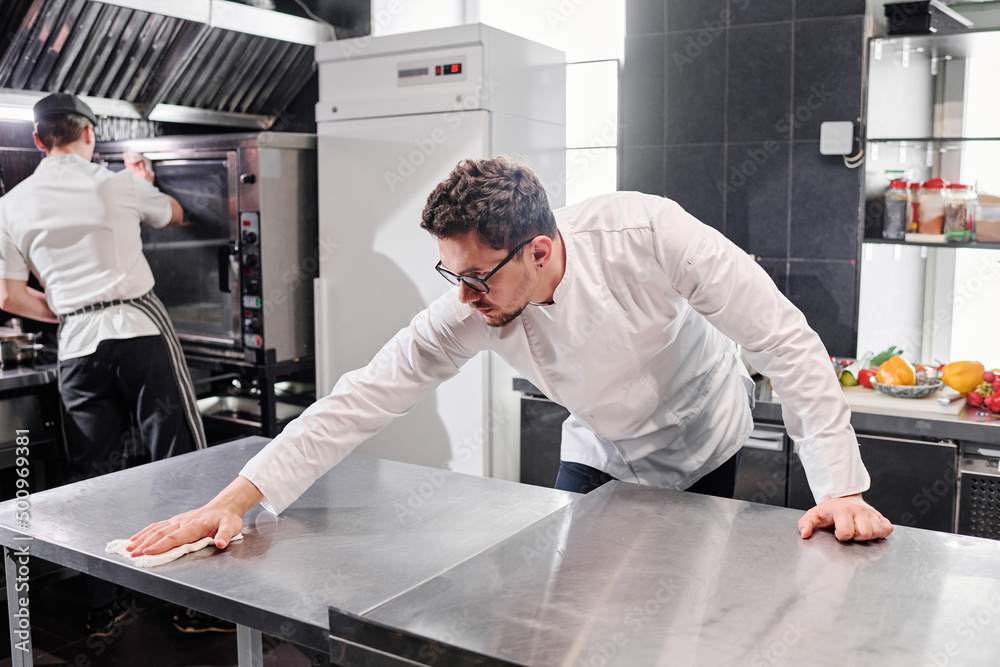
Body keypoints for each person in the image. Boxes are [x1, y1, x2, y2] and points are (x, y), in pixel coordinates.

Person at [129, 155, 892, 560]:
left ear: (539, 248)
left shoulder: (650, 233)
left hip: (702, 434)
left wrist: (843, 487)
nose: (462, 296)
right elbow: (362, 396)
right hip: (601, 446)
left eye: (474, 277)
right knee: (568, 607)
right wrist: (231, 502)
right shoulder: (480, 301)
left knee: (683, 600)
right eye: (449, 275)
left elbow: (784, 339)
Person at [0, 93, 208, 635]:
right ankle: (194, 605)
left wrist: (71, 309)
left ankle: (102, 608)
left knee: (92, 477)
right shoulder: (116, 184)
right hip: (139, 331)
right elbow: (179, 214)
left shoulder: (12, 204)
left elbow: (10, 296)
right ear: (88, 135)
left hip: (76, 347)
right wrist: (143, 180)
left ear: (39, 140)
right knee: (180, 460)